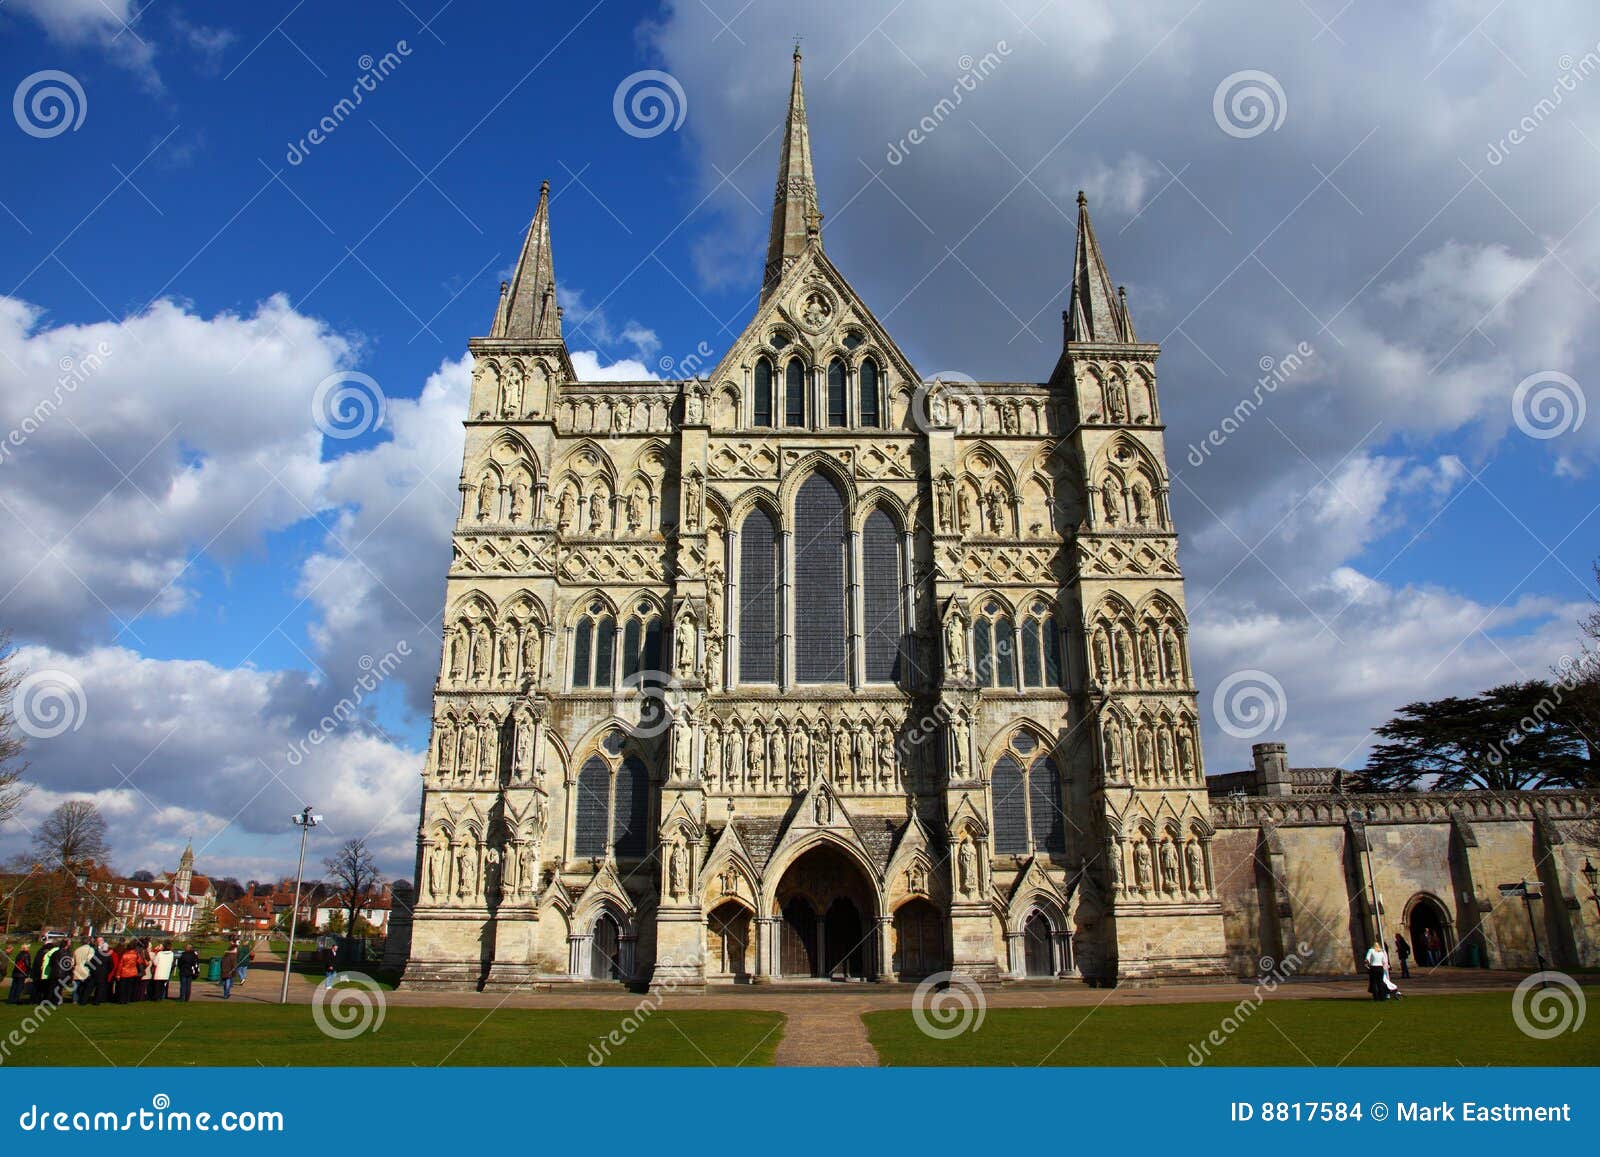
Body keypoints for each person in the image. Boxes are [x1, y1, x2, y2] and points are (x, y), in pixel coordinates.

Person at [115, 939, 141, 1004]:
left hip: (124, 972)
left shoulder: (125, 955)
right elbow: (140, 962)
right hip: (132, 972)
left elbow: (120, 965)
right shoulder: (136, 955)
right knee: (129, 987)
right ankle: (127, 999)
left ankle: (121, 1000)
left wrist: (118, 974)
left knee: (122, 987)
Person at [72, 939, 95, 1005]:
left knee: (76, 986)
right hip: (86, 969)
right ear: (88, 942)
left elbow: (72, 962)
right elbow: (89, 960)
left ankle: (75, 1000)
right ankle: (82, 999)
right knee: (85, 986)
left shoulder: (77, 950)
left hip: (77, 969)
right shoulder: (91, 949)